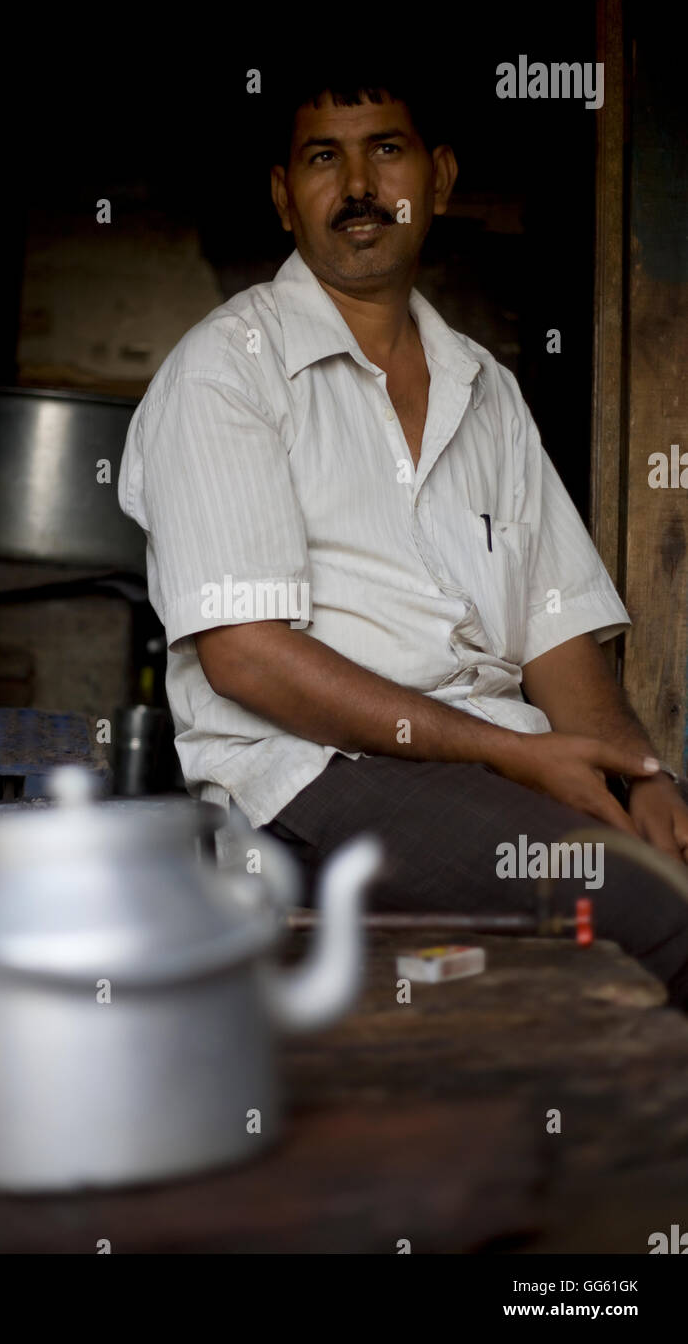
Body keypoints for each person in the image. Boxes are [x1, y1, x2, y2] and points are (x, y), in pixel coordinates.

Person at [118, 58, 688, 1007]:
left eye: (386, 150)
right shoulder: (226, 370)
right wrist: (507, 751)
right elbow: (249, 660)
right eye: (321, 159)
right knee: (656, 918)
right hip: (312, 779)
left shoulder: (486, 388)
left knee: (668, 865)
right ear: (282, 196)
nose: (356, 189)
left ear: (441, 180)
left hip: (500, 763)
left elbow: (556, 635)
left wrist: (648, 775)